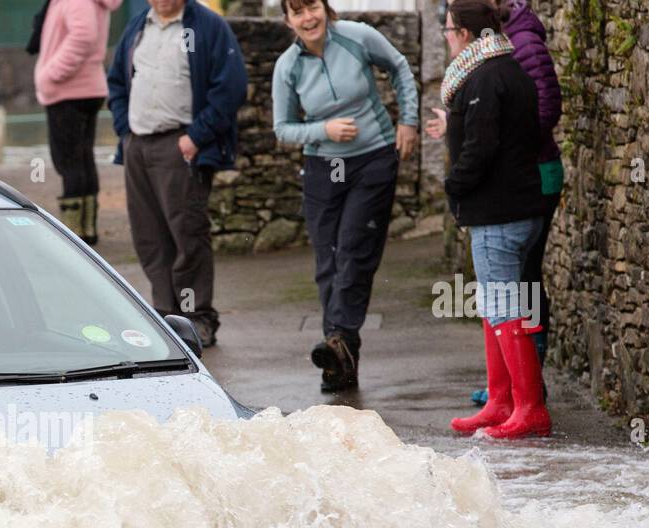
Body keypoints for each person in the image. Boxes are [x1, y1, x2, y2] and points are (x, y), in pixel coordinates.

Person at [272, 0, 418, 393]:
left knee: (354, 249)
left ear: (326, 8)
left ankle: (336, 342)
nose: (308, 17)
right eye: (298, 11)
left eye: (313, 7)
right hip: (323, 168)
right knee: (328, 261)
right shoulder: (288, 66)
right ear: (288, 20)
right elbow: (283, 129)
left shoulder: (357, 37)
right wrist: (323, 130)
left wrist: (408, 121)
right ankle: (340, 358)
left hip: (372, 160)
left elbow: (399, 67)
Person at [427, 0, 550, 439]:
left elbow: (481, 147)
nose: (445, 36)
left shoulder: (483, 75)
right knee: (498, 308)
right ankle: (501, 401)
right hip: (518, 207)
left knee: (504, 309)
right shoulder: (508, 67)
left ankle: (529, 408)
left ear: (465, 33)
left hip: (498, 214)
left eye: (447, 29)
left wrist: (453, 184)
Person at [107, 0, 248, 348]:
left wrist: (196, 137)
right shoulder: (139, 26)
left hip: (181, 146)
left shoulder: (209, 27)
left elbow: (231, 87)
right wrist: (125, 129)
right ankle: (166, 317)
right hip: (138, 145)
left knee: (187, 235)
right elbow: (116, 83)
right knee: (149, 238)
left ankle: (196, 317)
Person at [468, 0, 562, 407]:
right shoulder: (501, 38)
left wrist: (506, 153)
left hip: (535, 174)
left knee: (523, 279)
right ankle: (511, 385)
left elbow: (546, 107)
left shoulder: (523, 40)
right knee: (516, 282)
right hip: (522, 174)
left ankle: (529, 384)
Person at [35, 0, 123, 246]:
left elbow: (84, 36)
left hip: (69, 90)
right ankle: (85, 231)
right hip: (87, 87)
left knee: (69, 161)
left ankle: (75, 236)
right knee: (82, 159)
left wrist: (50, 74)